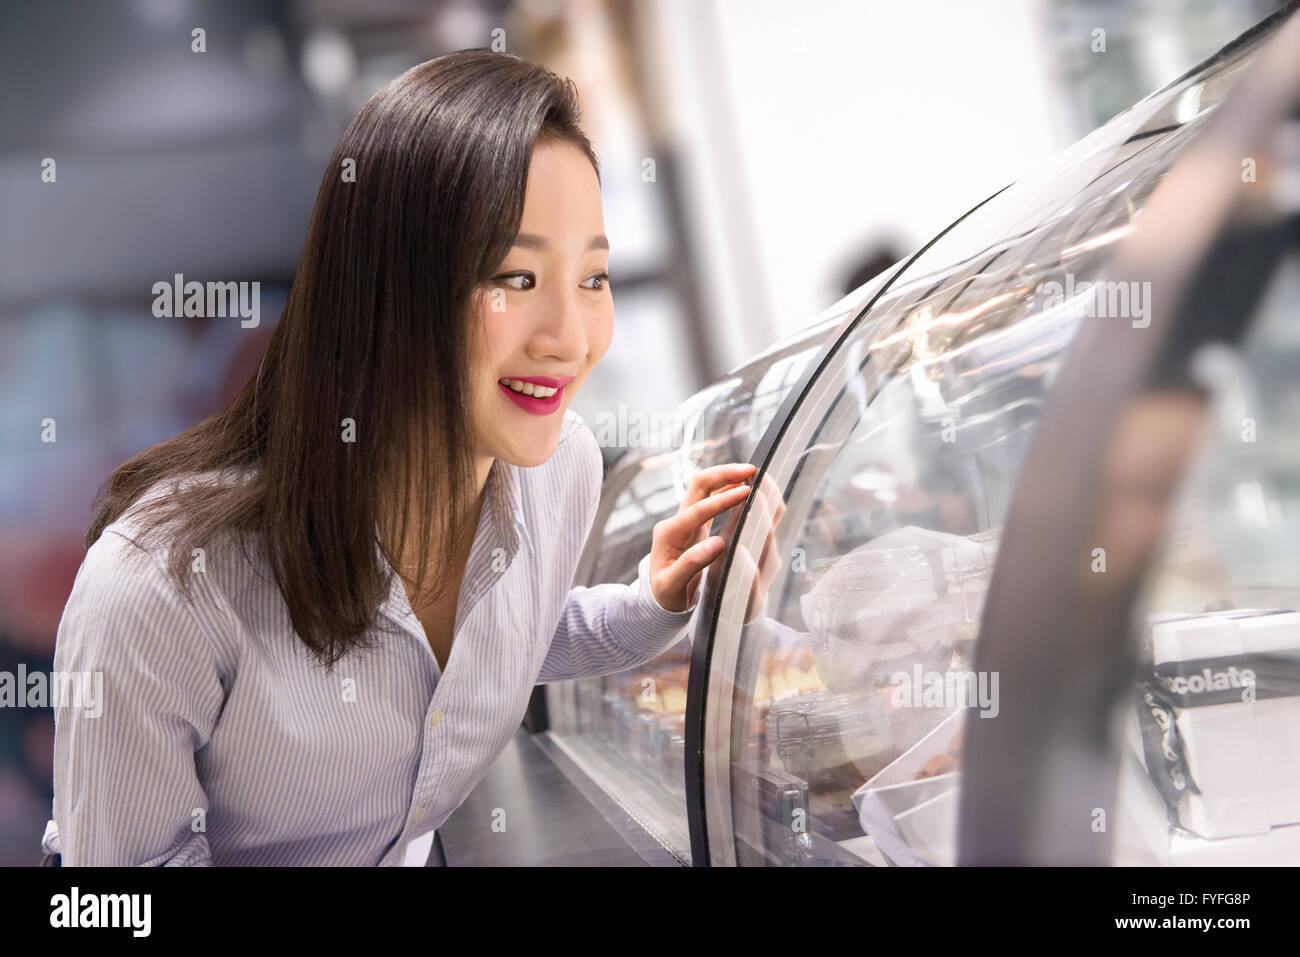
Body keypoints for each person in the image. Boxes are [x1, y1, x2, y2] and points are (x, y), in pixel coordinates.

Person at [41, 50, 759, 866]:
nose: (569, 337)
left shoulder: (560, 471)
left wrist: (651, 602)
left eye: (593, 278)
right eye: (514, 276)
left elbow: (500, 636)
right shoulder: (161, 585)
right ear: (391, 292)